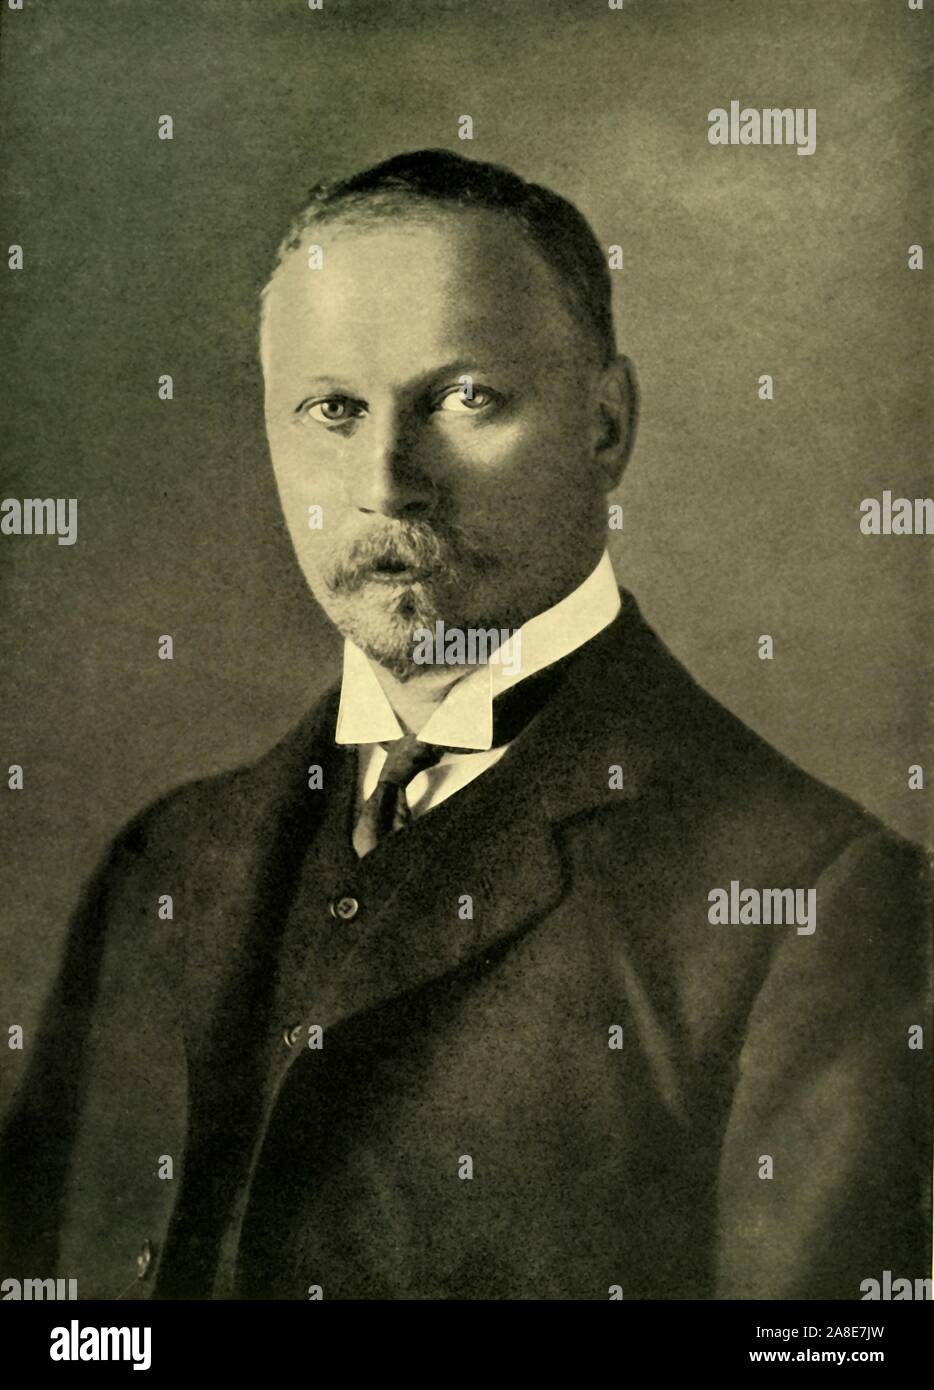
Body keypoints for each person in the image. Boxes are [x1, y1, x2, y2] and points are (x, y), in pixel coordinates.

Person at [1, 150, 929, 1301]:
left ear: (605, 427)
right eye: (332, 409)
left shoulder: (817, 906)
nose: (387, 480)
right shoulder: (166, 862)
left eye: (464, 398)